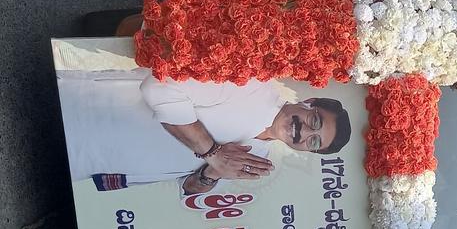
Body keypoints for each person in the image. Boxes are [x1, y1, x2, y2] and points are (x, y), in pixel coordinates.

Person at [61, 70, 352, 195]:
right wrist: (213, 153)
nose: (302, 133)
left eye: (313, 142)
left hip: (90, 165)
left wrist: (211, 173)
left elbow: (189, 190)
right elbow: (158, 86)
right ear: (309, 102)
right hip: (83, 114)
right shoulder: (251, 84)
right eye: (313, 121)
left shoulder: (258, 159)